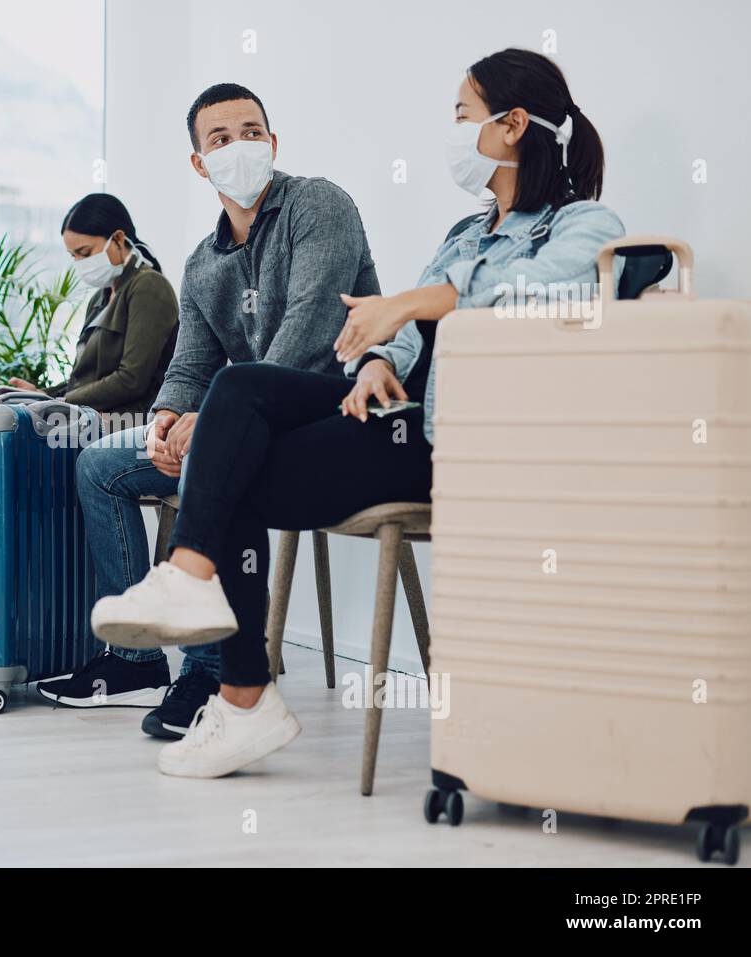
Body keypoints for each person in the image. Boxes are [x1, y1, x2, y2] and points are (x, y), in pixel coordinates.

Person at [91, 48, 626, 778]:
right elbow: (400, 337)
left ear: (513, 125)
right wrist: (379, 360)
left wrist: (409, 305)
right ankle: (235, 677)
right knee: (237, 406)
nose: (454, 131)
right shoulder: (465, 235)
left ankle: (228, 667)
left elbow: (538, 292)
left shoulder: (586, 224)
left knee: (233, 427)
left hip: (455, 442)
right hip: (390, 414)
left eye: (462, 115)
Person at [46, 83, 380, 729]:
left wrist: (216, 419)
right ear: (200, 163)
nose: (240, 147)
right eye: (221, 139)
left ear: (272, 142)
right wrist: (167, 419)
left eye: (251, 133)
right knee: (99, 465)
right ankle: (135, 662)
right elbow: (191, 365)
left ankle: (209, 672)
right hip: (244, 417)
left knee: (217, 453)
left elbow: (312, 329)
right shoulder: (203, 263)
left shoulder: (319, 205)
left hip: (329, 410)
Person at [7, 193, 178, 433]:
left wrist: (60, 403)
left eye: (85, 253)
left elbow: (131, 380)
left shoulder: (148, 287)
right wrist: (42, 395)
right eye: (73, 256)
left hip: (129, 426)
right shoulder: (100, 298)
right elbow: (85, 381)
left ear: (118, 239)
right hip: (93, 420)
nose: (79, 262)